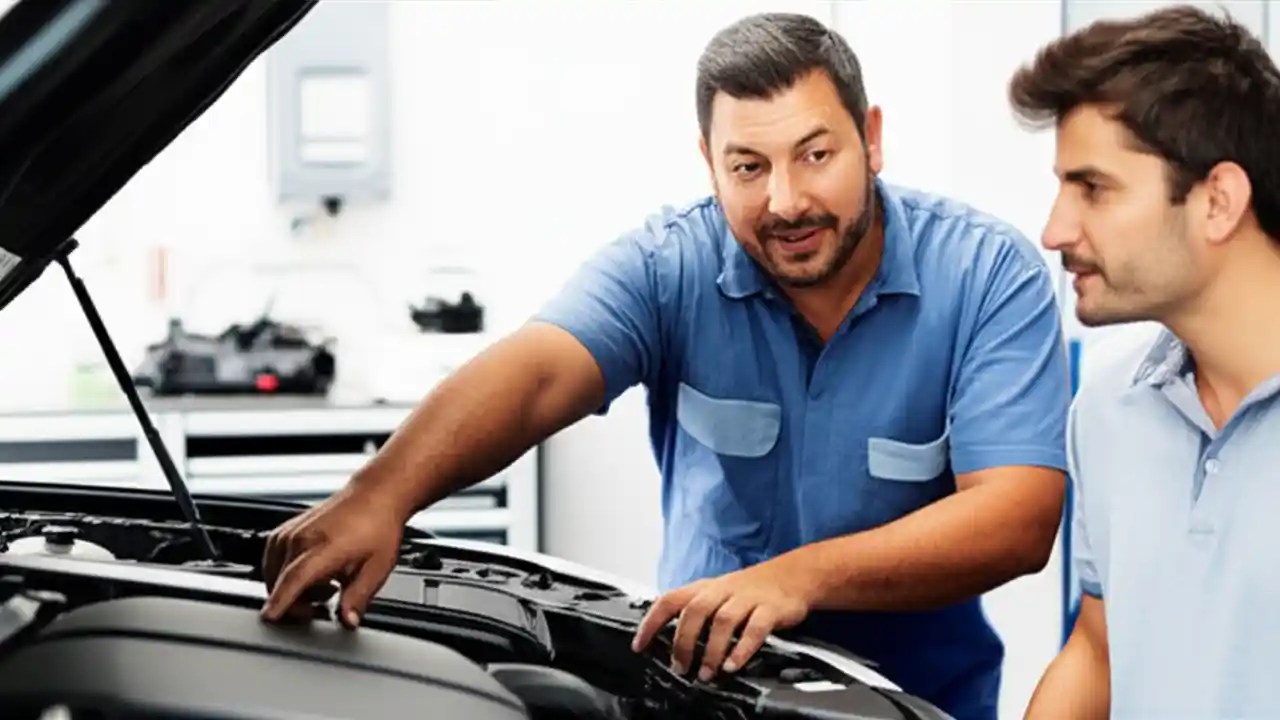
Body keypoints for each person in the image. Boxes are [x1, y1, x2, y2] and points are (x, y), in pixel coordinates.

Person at [260, 12, 1070, 718]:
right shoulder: (668, 265)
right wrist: (381, 494)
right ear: (709, 162)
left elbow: (1016, 518)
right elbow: (539, 371)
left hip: (916, 702)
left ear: (873, 138)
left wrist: (798, 578)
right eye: (748, 167)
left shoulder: (988, 275)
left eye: (816, 155)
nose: (785, 200)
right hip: (704, 693)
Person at [1008, 5, 1280, 719]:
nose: (1054, 230)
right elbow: (1098, 652)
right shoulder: (1106, 407)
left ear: (1218, 201)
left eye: (1092, 188)